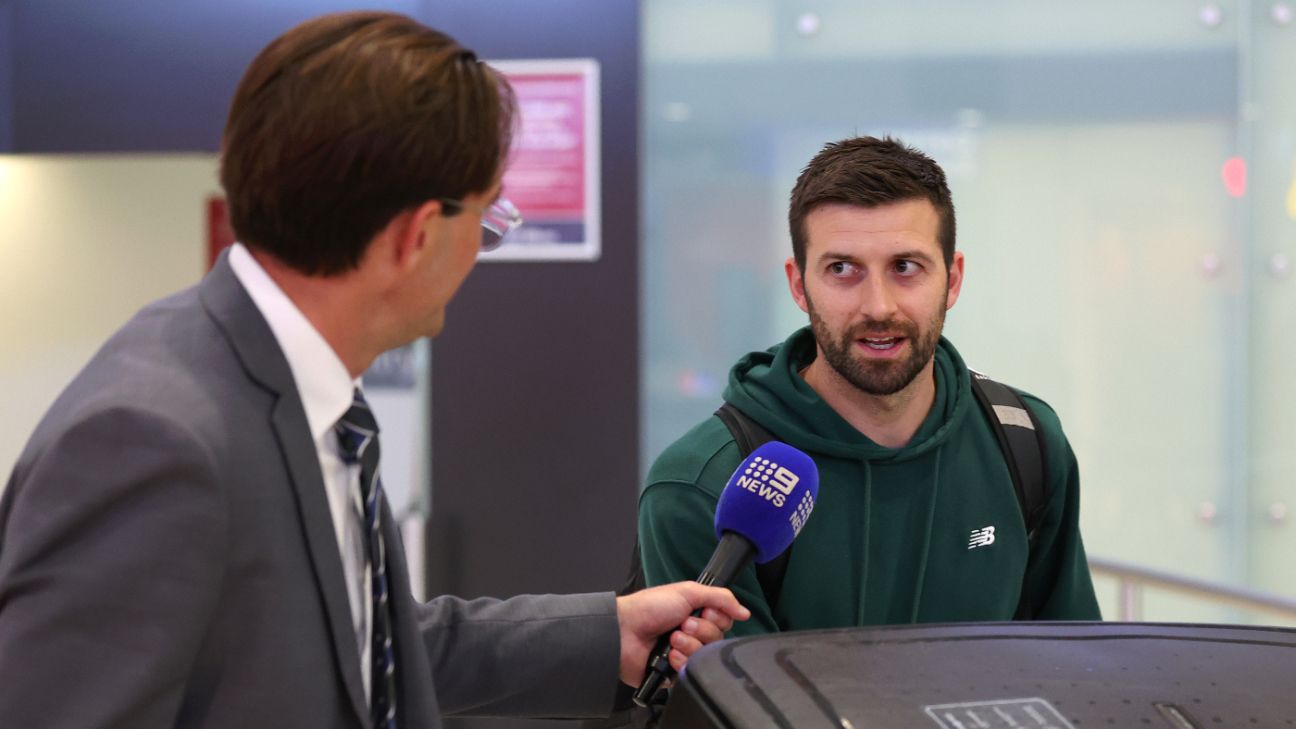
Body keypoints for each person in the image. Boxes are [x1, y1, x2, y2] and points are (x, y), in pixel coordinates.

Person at [0, 12, 748, 729]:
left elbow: (361, 647)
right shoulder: (153, 440)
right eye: (488, 221)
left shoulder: (308, 400)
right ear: (418, 236)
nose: (479, 256)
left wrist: (602, 634)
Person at [638, 136, 1100, 635]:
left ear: (953, 278)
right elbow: (735, 711)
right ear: (798, 285)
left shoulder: (1024, 441)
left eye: (905, 267)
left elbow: (1072, 672)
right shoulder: (706, 486)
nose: (878, 306)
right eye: (842, 269)